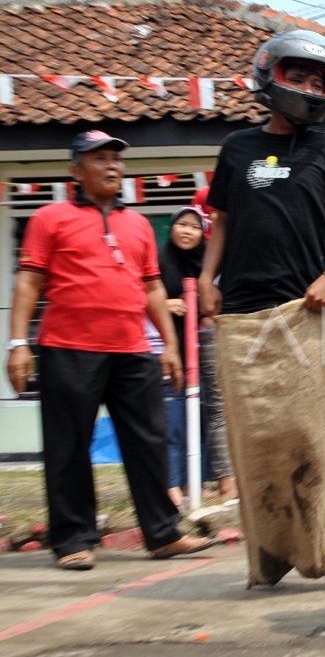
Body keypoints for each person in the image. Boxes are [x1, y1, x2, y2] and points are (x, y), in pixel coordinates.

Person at [199, 29, 325, 586]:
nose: (308, 88)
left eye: (319, 81)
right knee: (254, 444)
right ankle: (269, 555)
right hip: (240, 317)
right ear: (269, 76)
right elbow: (221, 221)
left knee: (305, 431)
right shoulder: (236, 148)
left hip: (306, 309)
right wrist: (205, 278)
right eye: (298, 77)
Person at [5, 129, 217, 570]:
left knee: (149, 442)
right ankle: (73, 539)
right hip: (68, 348)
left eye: (116, 159)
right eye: (99, 159)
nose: (112, 167)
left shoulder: (138, 224)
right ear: (76, 170)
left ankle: (163, 534)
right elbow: (29, 281)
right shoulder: (49, 217)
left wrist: (170, 345)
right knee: (68, 447)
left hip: (133, 349)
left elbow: (153, 288)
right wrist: (19, 343)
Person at [155, 205, 207, 508]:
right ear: (172, 227)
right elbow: (138, 295)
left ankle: (193, 482)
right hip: (164, 350)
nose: (188, 231)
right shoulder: (157, 261)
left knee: (197, 420)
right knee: (171, 421)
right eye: (182, 224)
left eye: (195, 227)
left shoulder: (206, 264)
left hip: (199, 356)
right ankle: (171, 485)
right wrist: (164, 304)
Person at [190, 187, 236, 500]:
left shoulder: (239, 241)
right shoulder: (199, 247)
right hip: (212, 331)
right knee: (218, 408)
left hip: (242, 328)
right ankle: (225, 482)